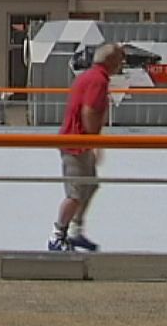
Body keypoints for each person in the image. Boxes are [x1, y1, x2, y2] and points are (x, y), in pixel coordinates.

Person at [48, 43, 124, 252]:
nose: (121, 65)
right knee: (75, 193)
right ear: (110, 61)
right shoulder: (98, 80)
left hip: (78, 142)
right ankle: (57, 235)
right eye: (120, 60)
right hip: (76, 145)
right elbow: (89, 112)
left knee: (90, 186)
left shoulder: (90, 76)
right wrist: (94, 142)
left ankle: (75, 230)